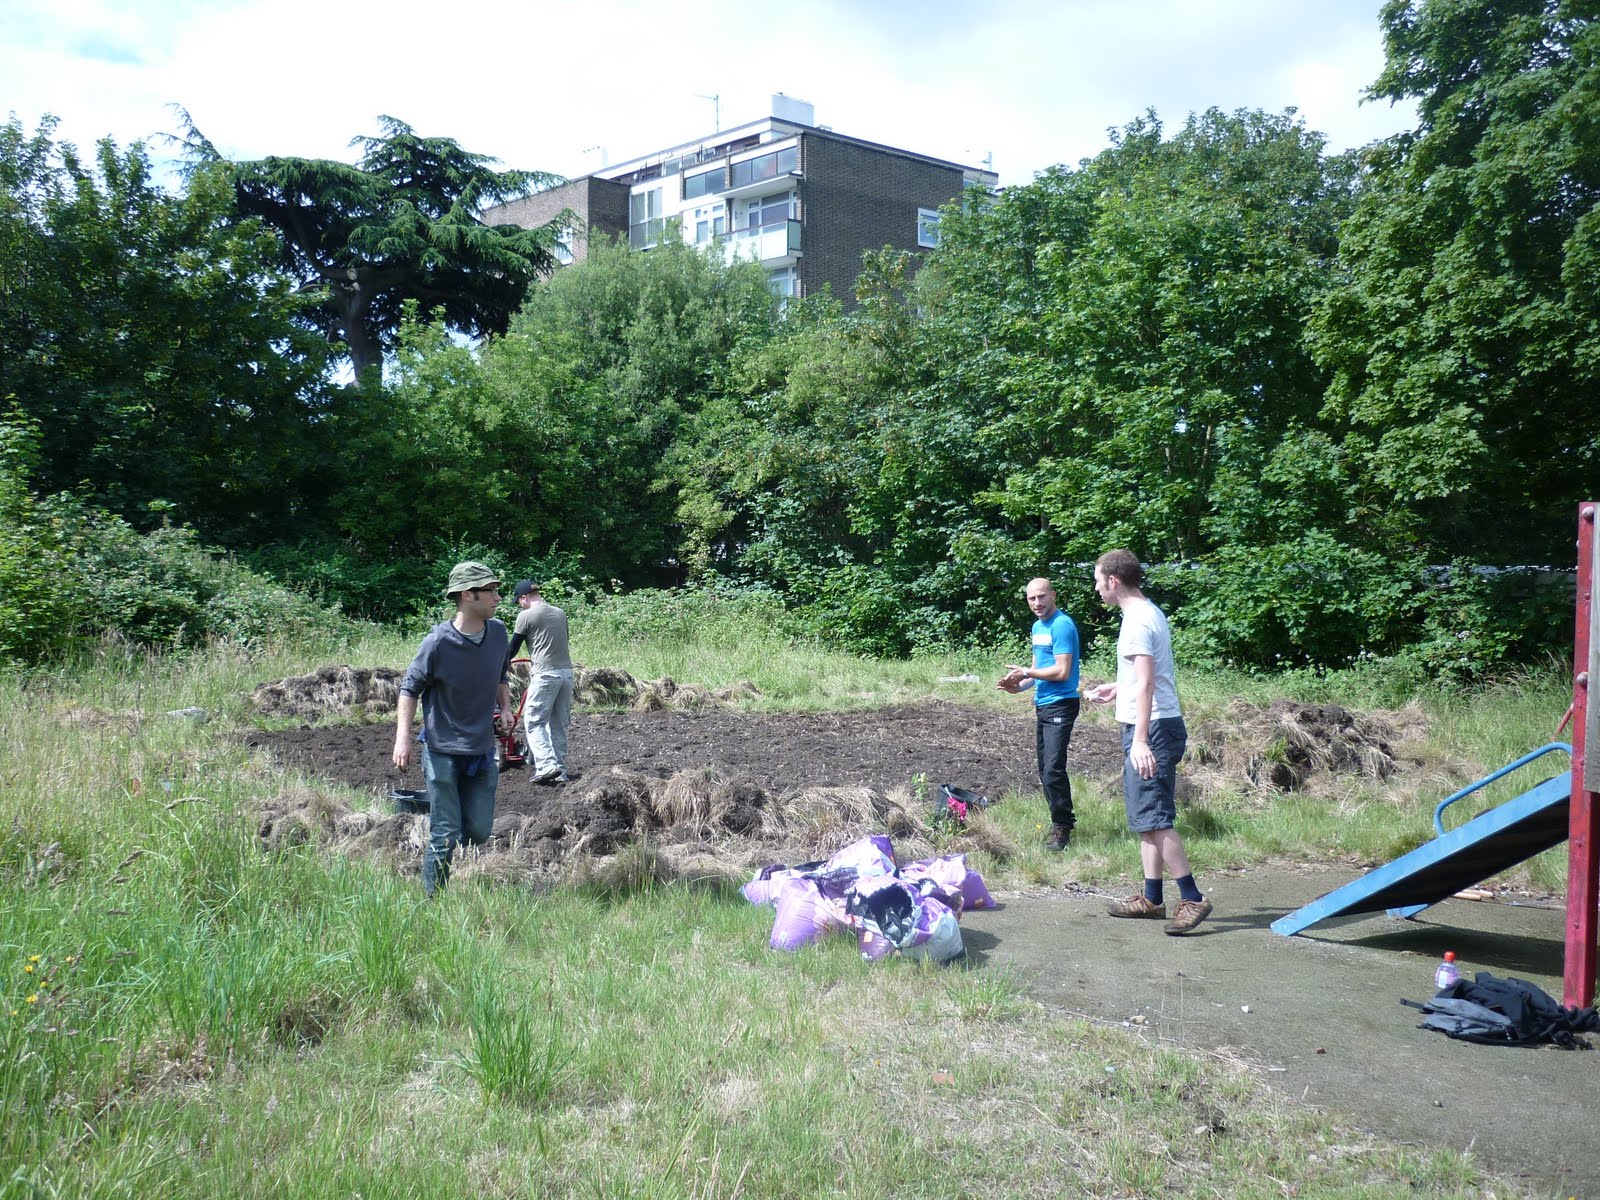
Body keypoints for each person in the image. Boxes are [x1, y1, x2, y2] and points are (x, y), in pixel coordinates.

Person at [1084, 549, 1212, 934]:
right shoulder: (1146, 612)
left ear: (1113, 581)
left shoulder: (1137, 621)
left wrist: (1140, 741)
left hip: (1152, 729)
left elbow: (1148, 683)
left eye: (1097, 580)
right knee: (1144, 817)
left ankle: (1192, 898)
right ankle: (1152, 899)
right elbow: (1141, 678)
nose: (1096, 588)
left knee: (1156, 817)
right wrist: (1116, 688)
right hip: (1152, 722)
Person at [393, 561, 511, 896]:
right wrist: (403, 739)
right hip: (443, 749)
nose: (498, 597)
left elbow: (501, 675)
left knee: (479, 830)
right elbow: (409, 688)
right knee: (446, 835)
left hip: (482, 749)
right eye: (491, 591)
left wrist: (504, 707)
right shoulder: (437, 643)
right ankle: (433, 903)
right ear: (467, 595)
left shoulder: (499, 633)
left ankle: (441, 809)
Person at [997, 576, 1081, 851]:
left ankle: (1062, 827)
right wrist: (1018, 687)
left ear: (1053, 595)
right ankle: (1060, 820)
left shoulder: (1062, 626)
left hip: (1062, 703)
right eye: (1032, 598)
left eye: (1041, 597)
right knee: (1045, 769)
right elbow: (1037, 670)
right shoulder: (1037, 626)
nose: (1037, 603)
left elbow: (1061, 671)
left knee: (1054, 768)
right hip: (1043, 702)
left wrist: (1027, 672)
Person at [506, 580, 574, 784]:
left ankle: (546, 766)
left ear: (524, 597)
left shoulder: (525, 616)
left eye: (518, 601)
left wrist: (502, 665)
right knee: (558, 724)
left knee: (534, 720)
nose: (519, 605)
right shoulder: (560, 613)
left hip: (545, 675)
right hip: (566, 675)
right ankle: (560, 772)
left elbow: (513, 648)